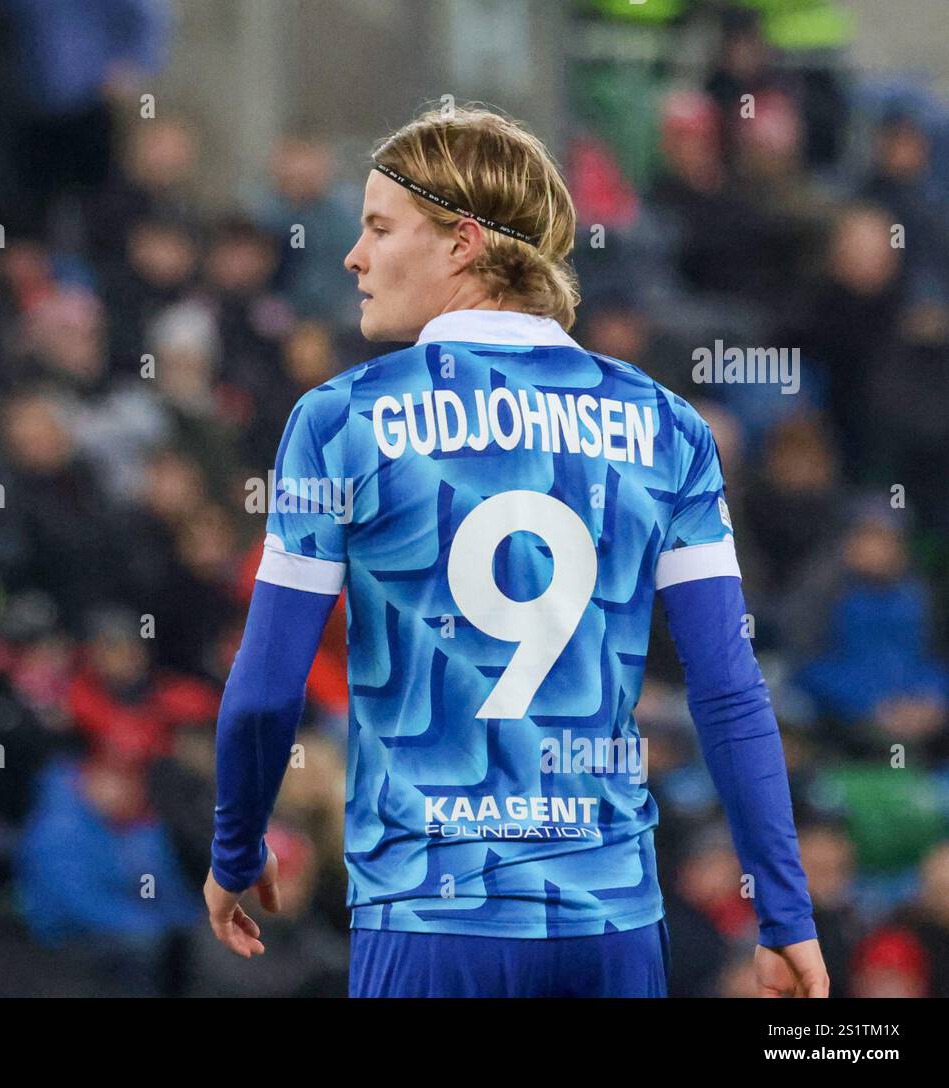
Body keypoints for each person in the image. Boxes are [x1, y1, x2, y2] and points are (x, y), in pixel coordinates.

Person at [203, 104, 828, 999]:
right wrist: (785, 911)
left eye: (379, 227)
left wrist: (235, 851)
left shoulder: (342, 420)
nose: (353, 255)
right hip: (610, 925)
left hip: (429, 919)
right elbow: (729, 690)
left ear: (462, 242)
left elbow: (265, 690)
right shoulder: (667, 426)